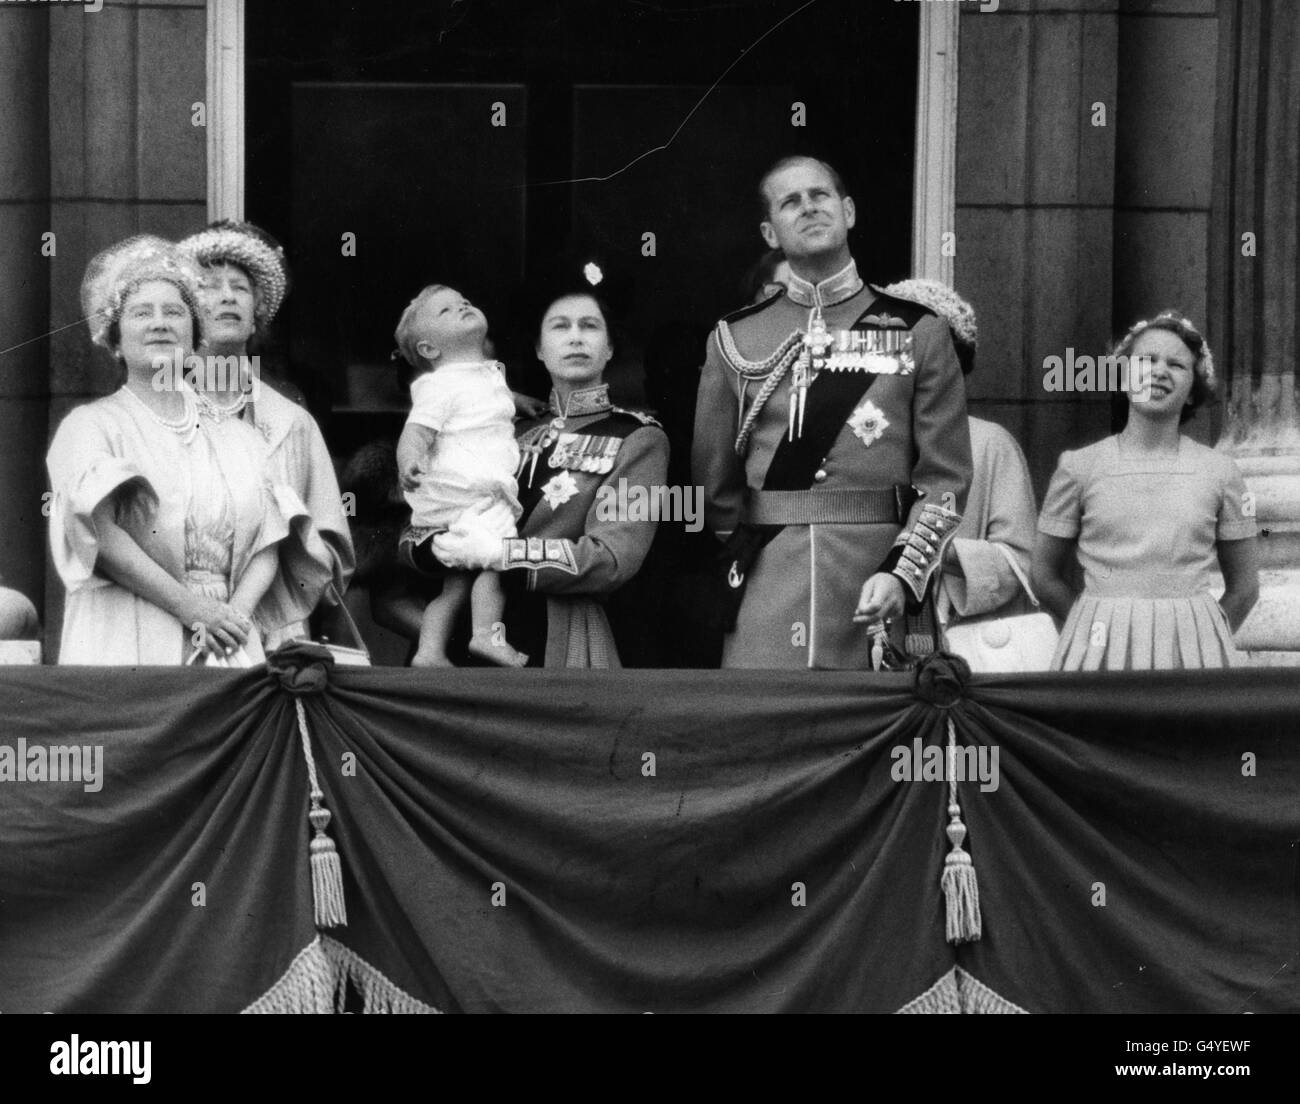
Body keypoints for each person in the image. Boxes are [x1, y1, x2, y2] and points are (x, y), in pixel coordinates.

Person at [692, 155, 972, 669]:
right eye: (790, 202)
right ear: (769, 232)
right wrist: (753, 552)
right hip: (770, 586)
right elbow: (716, 485)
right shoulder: (734, 338)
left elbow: (945, 479)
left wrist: (902, 574)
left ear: (849, 211)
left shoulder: (920, 330)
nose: (808, 207)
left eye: (820, 195)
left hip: (879, 584)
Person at [46, 236, 319, 664]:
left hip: (226, 642)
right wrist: (192, 609)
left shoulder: (240, 438)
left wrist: (231, 621)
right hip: (129, 635)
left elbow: (270, 538)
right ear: (115, 340)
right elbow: (99, 533)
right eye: (141, 313)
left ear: (194, 337)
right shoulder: (90, 426)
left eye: (174, 312)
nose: (160, 323)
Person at [431, 285, 670, 667]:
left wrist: (503, 555)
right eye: (560, 326)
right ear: (539, 349)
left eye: (589, 326)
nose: (575, 337)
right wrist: (443, 545)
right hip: (465, 628)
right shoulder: (503, 427)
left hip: (553, 632)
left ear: (609, 348)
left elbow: (613, 559)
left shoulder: (638, 439)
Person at [1032, 310, 1260, 669]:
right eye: (1146, 360)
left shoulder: (1221, 471)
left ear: (1192, 391)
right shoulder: (1079, 467)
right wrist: (1088, 623)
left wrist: (1203, 635)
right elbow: (1043, 575)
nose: (1159, 371)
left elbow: (1245, 588)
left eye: (1176, 365)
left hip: (1190, 658)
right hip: (1099, 654)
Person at [178, 220, 354, 649]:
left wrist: (295, 557)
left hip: (271, 628)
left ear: (257, 312)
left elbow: (331, 545)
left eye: (240, 288)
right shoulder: (157, 412)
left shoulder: (292, 422)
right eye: (209, 287)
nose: (227, 297)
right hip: (178, 616)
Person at [881, 279, 1038, 632]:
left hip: (950, 637)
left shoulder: (989, 443)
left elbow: (1020, 564)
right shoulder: (855, 438)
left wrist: (927, 549)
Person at [393, 285, 528, 667]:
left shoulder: (486, 375)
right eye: (446, 311)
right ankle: (486, 635)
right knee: (498, 559)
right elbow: (416, 432)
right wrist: (409, 462)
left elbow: (498, 398)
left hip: (470, 499)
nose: (462, 306)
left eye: (463, 301)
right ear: (429, 349)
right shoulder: (440, 385)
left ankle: (428, 652)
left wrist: (524, 402)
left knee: (455, 587)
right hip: (464, 497)